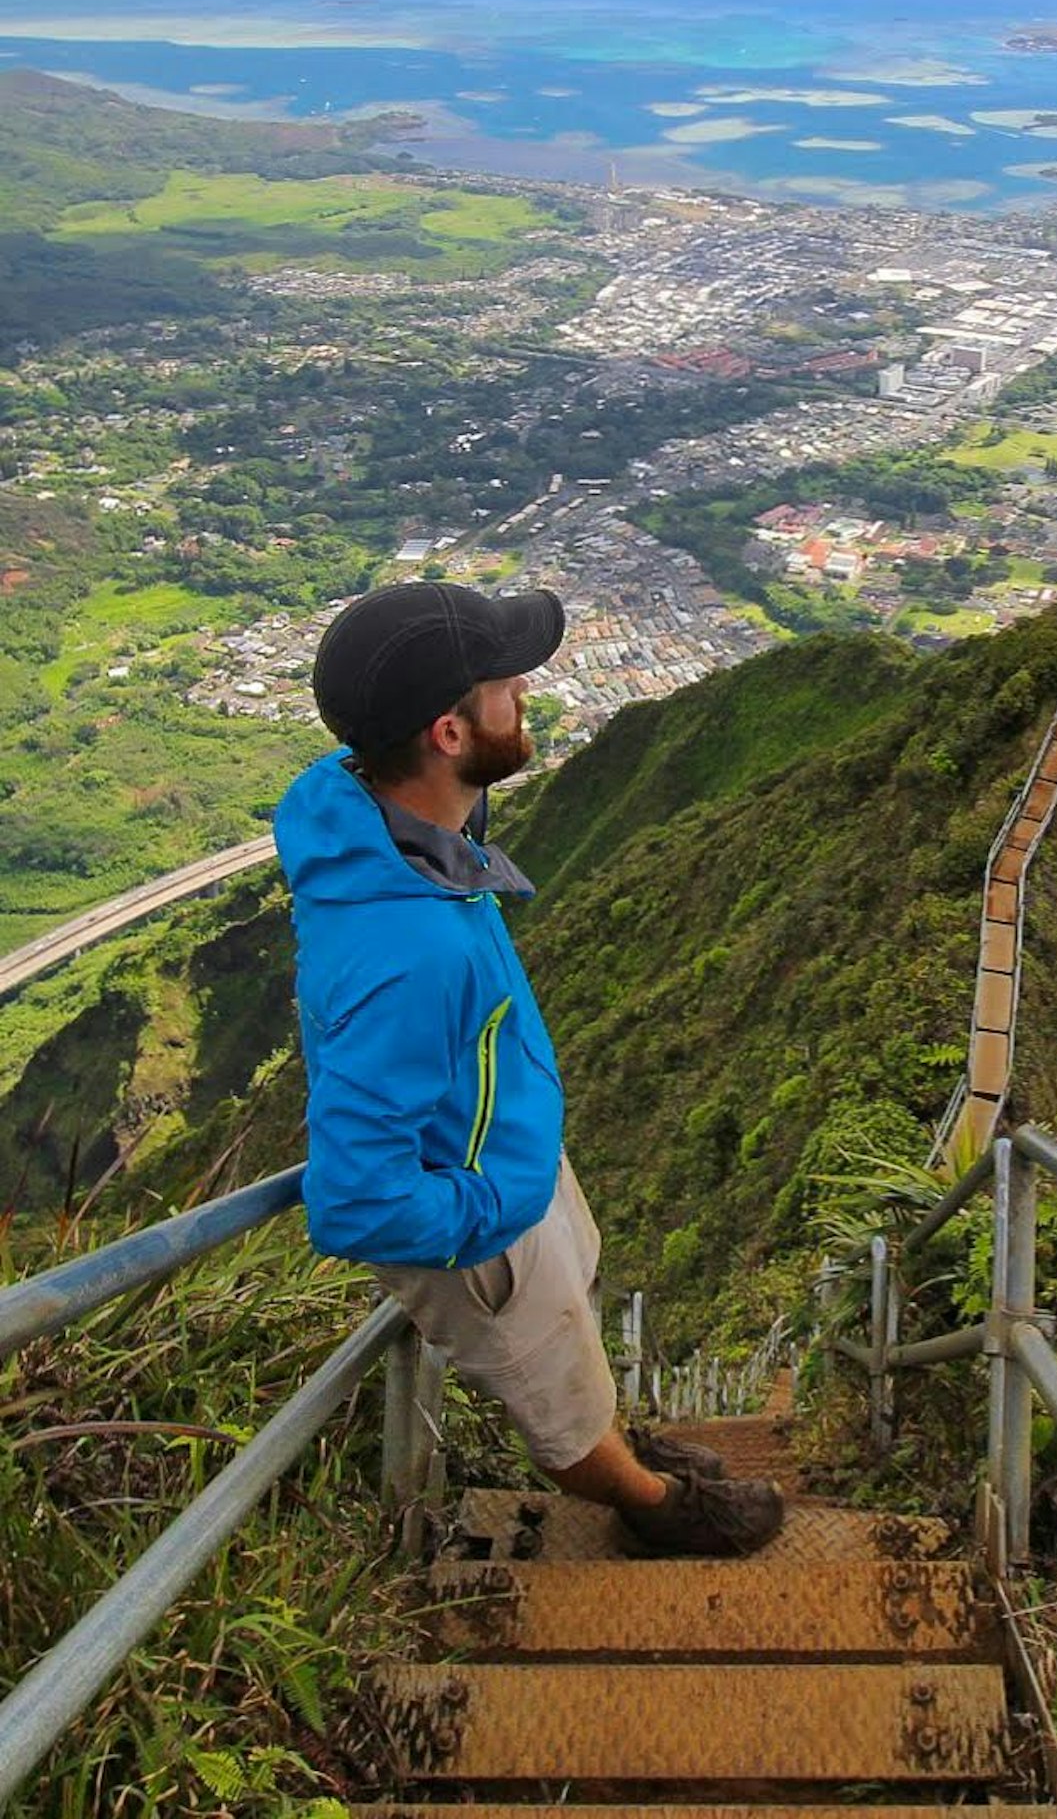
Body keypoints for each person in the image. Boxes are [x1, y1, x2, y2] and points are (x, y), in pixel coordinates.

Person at [272, 579, 783, 1558]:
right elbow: (355, 1203)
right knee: (557, 1395)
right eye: (504, 685)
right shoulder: (412, 951)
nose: (524, 695)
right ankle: (649, 1505)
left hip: (499, 1151)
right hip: (478, 1226)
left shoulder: (374, 818)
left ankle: (624, 1444)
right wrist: (487, 1215)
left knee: (576, 1337)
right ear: (450, 733)